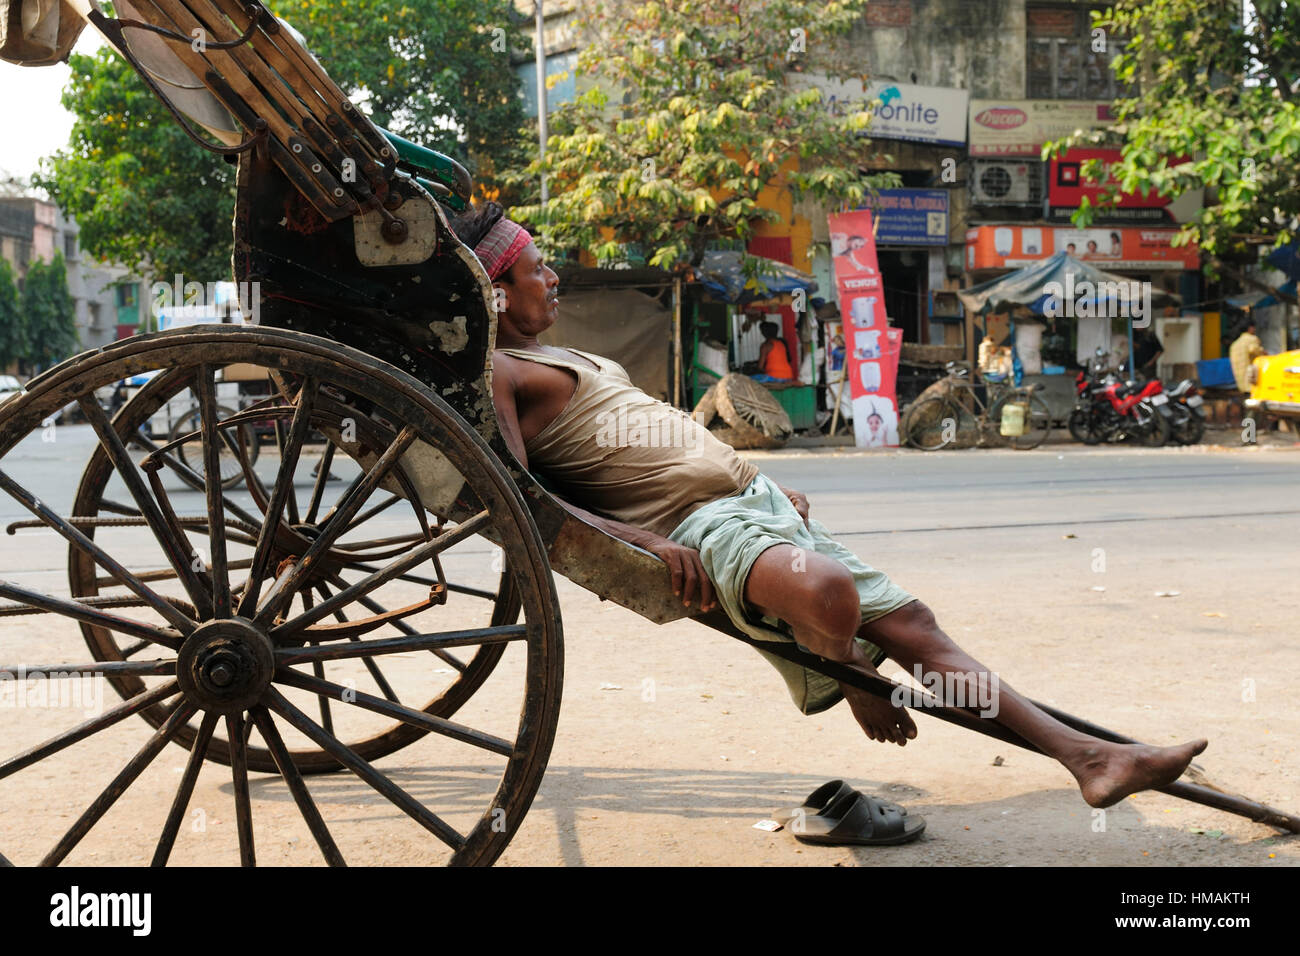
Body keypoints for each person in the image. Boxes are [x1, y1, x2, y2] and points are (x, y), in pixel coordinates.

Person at [452, 202, 1206, 810]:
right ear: (493, 290)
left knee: (916, 629)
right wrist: (636, 541)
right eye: (534, 269)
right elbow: (523, 499)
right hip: (700, 527)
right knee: (827, 593)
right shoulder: (503, 372)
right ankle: (849, 675)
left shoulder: (566, 352)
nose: (552, 277)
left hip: (754, 501)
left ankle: (1089, 760)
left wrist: (757, 480)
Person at [1229, 319, 1265, 395]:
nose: (1254, 329)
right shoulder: (1251, 339)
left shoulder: (1235, 344)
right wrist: (1264, 353)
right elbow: (1254, 350)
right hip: (1252, 384)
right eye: (1253, 327)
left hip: (1241, 384)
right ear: (1250, 328)